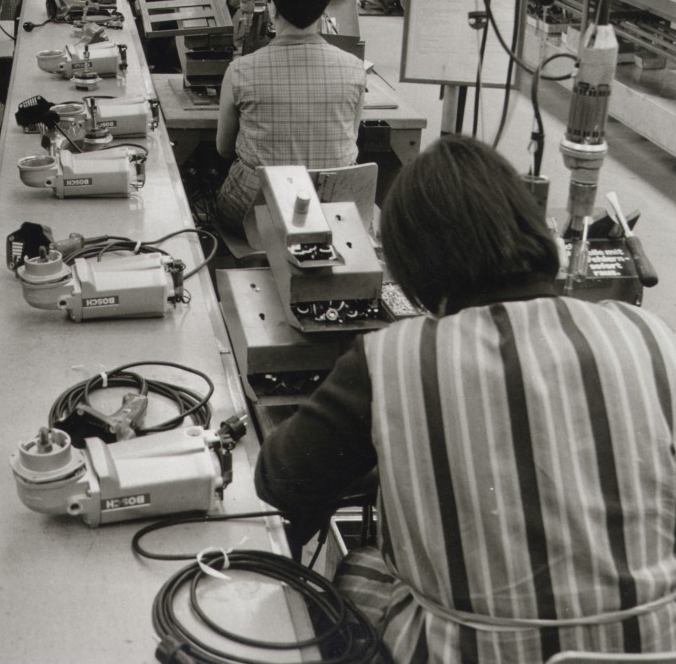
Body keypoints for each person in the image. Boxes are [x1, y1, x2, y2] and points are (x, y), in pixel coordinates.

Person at [255, 135, 676, 661]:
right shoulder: (650, 335)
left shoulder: (392, 358)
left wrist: (398, 456)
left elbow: (280, 481)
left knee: (358, 569)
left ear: (411, 268)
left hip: (471, 653)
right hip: (653, 647)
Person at [214, 0, 364, 233]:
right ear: (325, 5)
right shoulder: (355, 68)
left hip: (255, 218)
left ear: (271, 4)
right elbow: (350, 139)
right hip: (330, 214)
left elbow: (223, 149)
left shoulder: (240, 71)